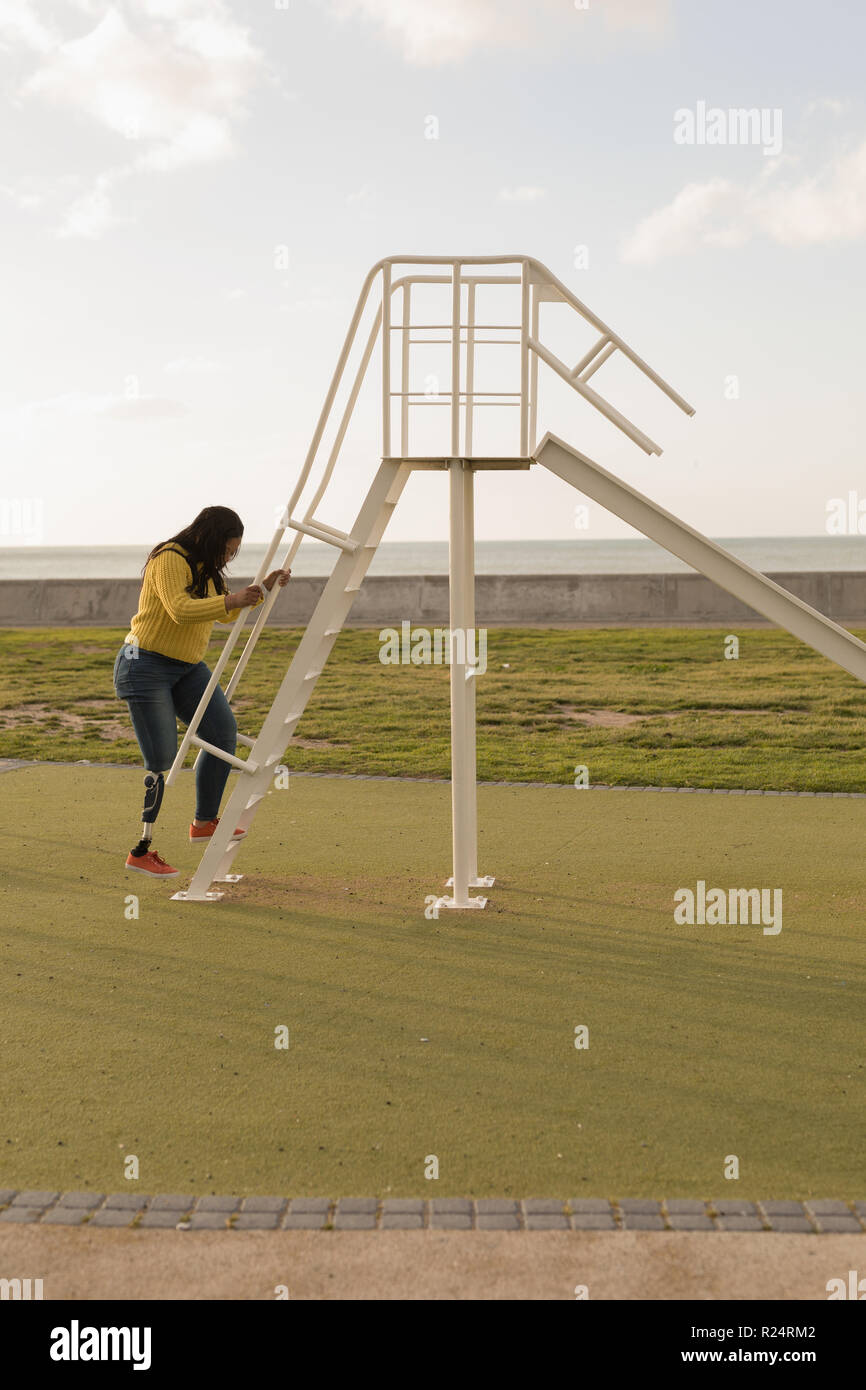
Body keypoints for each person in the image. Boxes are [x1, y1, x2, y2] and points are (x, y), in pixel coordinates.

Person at [113, 506, 291, 878]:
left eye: (233, 553)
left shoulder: (208, 569)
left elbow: (223, 612)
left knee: (221, 732)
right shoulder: (169, 558)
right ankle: (141, 850)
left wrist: (262, 590)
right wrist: (231, 600)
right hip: (143, 663)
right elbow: (180, 610)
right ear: (210, 538)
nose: (228, 557)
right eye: (227, 550)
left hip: (187, 667)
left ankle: (204, 821)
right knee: (161, 756)